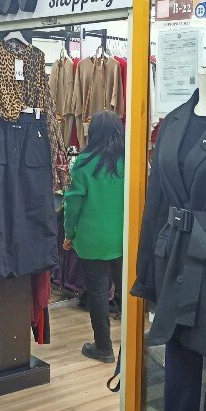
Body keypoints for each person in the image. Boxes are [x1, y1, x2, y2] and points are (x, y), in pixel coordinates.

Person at [62, 109, 125, 363]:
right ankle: (133, 344)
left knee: (98, 293)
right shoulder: (129, 161)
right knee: (126, 291)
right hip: (123, 238)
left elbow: (73, 205)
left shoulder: (83, 163)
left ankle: (104, 348)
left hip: (92, 239)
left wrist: (69, 234)